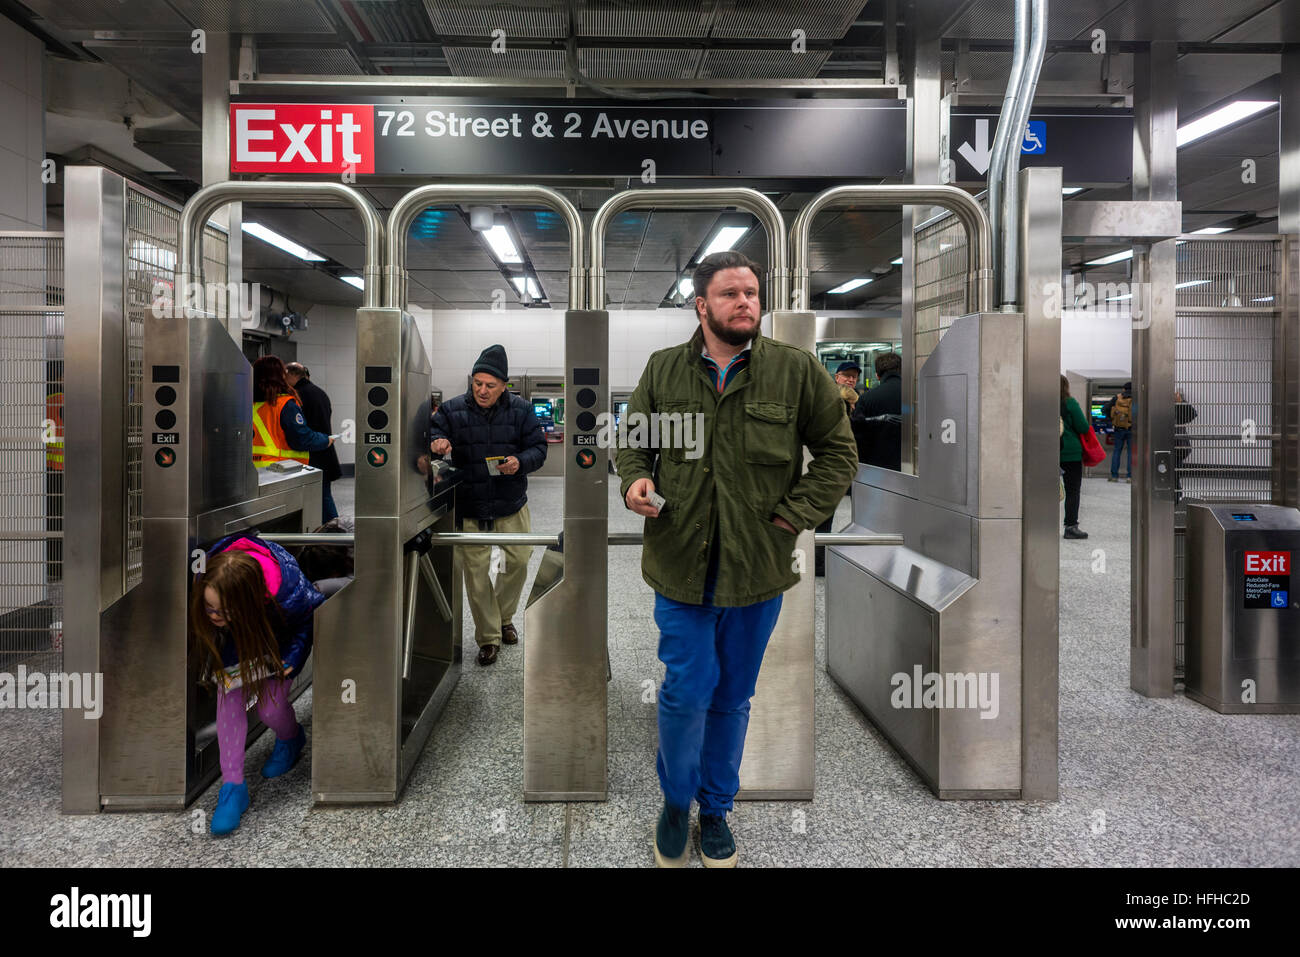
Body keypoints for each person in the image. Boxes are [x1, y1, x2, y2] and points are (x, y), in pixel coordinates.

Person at [616, 250, 857, 868]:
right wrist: (634, 482)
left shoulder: (796, 372)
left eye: (751, 292)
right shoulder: (664, 370)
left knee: (732, 696)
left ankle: (716, 808)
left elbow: (838, 455)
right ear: (701, 306)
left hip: (757, 570)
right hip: (679, 564)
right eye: (729, 294)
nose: (745, 301)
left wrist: (793, 514)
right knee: (685, 691)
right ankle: (676, 804)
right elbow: (634, 441)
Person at [189, 533, 326, 835]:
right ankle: (233, 786)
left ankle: (291, 738)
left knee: (270, 709)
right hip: (242, 637)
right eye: (209, 609)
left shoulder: (287, 592)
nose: (213, 616)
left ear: (247, 601)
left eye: (221, 612)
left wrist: (290, 657)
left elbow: (309, 618)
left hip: (282, 640)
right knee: (230, 699)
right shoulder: (213, 573)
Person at [429, 344, 546, 666]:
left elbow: (538, 448)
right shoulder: (452, 410)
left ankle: (504, 615)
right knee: (476, 574)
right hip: (471, 503)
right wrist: (436, 444)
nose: (482, 390)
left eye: (489, 385)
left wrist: (519, 462)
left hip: (511, 502)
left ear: (503, 386)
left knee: (519, 561)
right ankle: (489, 637)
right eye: (477, 383)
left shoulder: (522, 411)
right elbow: (432, 435)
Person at [251, 356, 333, 469]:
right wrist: (325, 440)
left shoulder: (248, 404)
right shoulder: (285, 404)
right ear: (280, 376)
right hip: (281, 470)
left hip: (253, 470)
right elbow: (301, 439)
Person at [285, 362, 343, 520]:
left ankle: (335, 534)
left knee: (322, 500)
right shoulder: (320, 392)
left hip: (313, 455)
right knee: (324, 497)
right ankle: (335, 534)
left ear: (292, 374)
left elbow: (301, 431)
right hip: (325, 453)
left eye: (285, 376)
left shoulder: (297, 396)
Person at [850, 351, 904, 471]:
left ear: (877, 375)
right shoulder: (916, 396)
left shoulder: (866, 399)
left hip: (875, 468)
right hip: (911, 467)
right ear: (901, 371)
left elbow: (857, 435)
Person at [1060, 374, 1091, 540]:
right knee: (1072, 491)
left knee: (1041, 491)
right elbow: (1083, 427)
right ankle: (1070, 527)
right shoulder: (1069, 403)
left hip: (1044, 452)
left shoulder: (1041, 402)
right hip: (1070, 454)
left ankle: (1038, 526)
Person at [1104, 381, 1133, 483]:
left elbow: (1104, 409)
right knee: (1131, 452)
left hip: (1118, 428)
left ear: (1124, 389)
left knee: (1117, 451)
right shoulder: (1137, 398)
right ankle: (1130, 477)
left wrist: (1111, 420)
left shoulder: (1117, 397)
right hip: (1132, 429)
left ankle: (1114, 476)